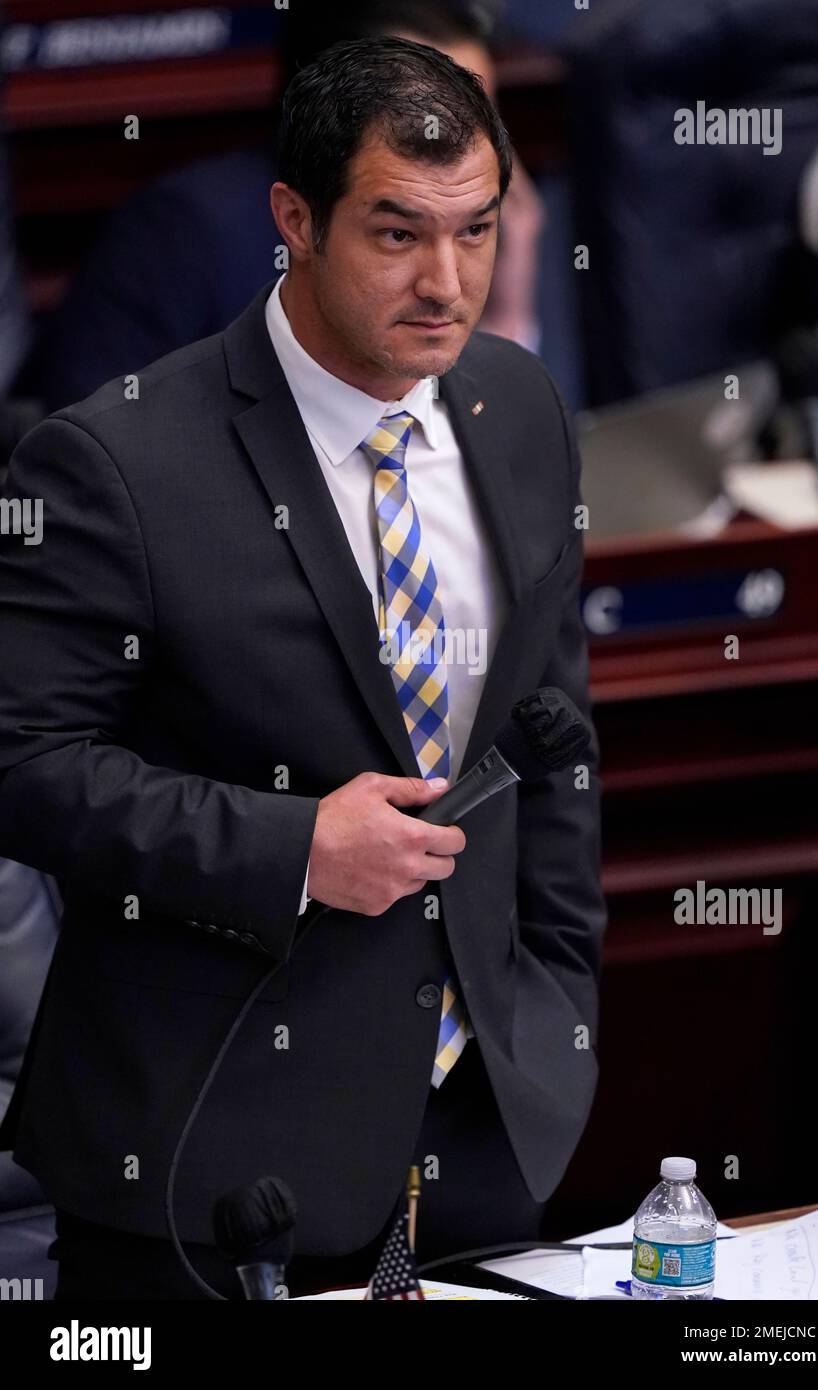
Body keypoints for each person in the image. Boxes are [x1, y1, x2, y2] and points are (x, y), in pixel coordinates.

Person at [0, 36, 605, 1299]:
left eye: (477, 231)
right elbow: (23, 766)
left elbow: (554, 736)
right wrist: (291, 848)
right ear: (295, 219)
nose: (448, 282)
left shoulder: (522, 411)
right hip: (211, 1158)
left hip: (484, 1137)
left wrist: (554, 1011)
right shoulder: (114, 463)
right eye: (396, 234)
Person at [27, 0, 545, 414]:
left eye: (477, 113)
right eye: (426, 117)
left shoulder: (509, 225)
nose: (447, 284)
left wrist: (507, 311)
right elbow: (95, 452)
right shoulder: (189, 228)